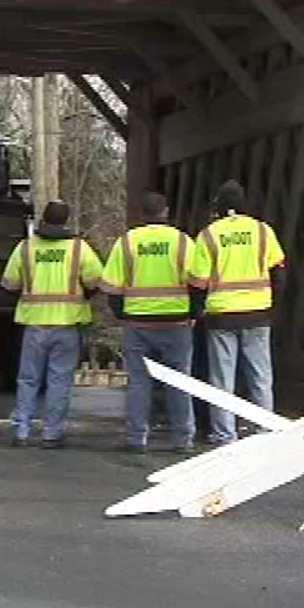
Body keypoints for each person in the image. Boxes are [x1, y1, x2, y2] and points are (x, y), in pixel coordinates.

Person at [101, 191, 203, 454]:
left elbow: (111, 287)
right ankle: (183, 439)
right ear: (165, 212)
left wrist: (123, 314)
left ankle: (137, 438)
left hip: (138, 323)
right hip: (176, 322)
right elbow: (200, 282)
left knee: (139, 382)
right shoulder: (182, 242)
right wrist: (194, 313)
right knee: (179, 381)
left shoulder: (127, 242)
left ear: (141, 213)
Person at [0, 199, 103, 449]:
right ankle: (51, 434)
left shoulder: (25, 248)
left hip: (34, 324)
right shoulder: (79, 249)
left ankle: (21, 431)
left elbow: (9, 284)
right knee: (59, 381)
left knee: (28, 379)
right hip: (67, 324)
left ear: (43, 219)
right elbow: (95, 282)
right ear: (67, 220)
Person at [193, 180, 285, 445]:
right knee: (260, 376)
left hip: (222, 315)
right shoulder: (263, 231)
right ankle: (265, 431)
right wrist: (273, 306)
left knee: (222, 379)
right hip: (258, 312)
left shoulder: (209, 235)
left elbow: (198, 282)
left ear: (219, 207)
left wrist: (198, 311)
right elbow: (279, 272)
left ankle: (224, 434)